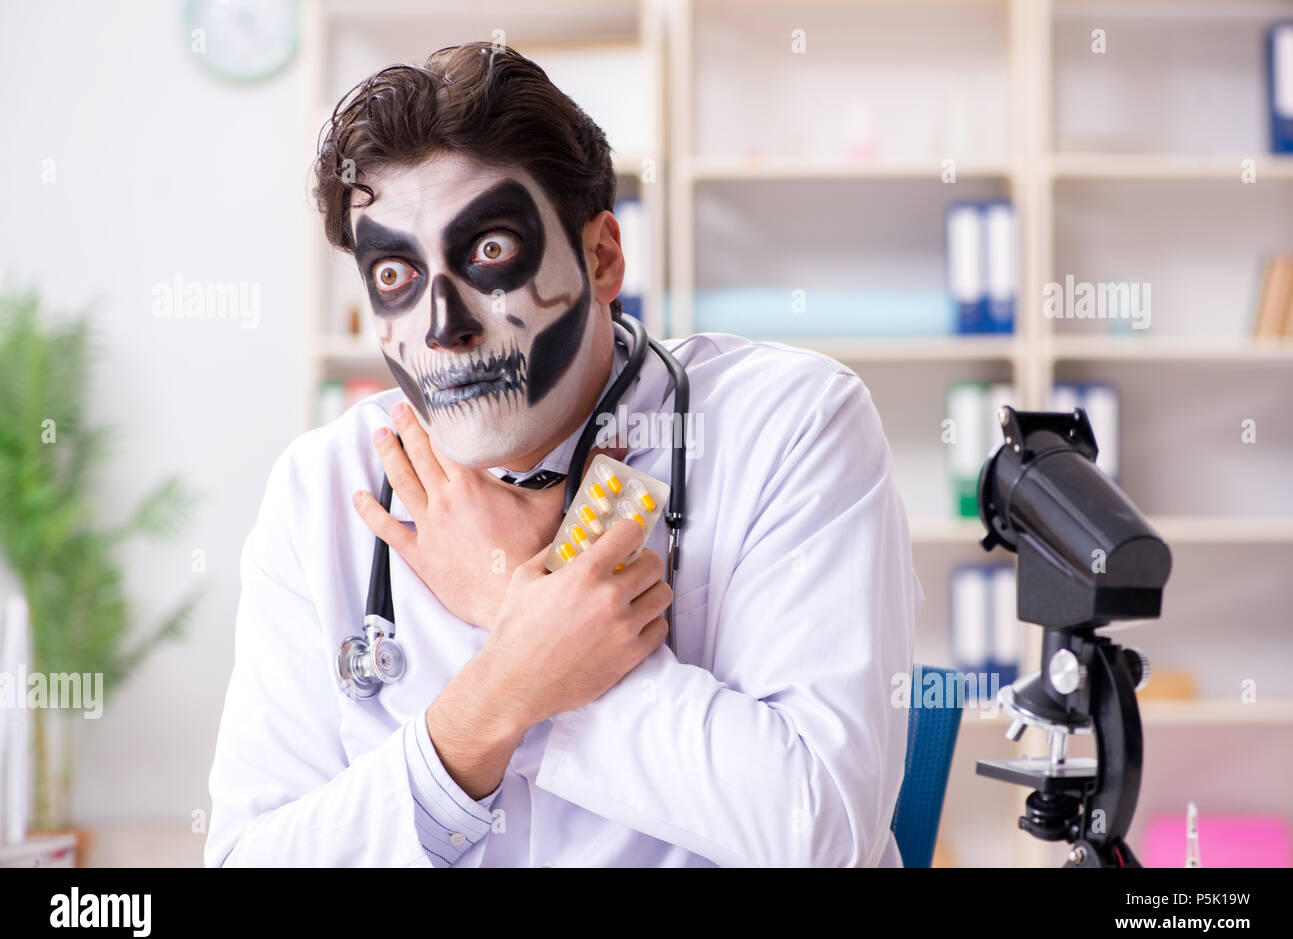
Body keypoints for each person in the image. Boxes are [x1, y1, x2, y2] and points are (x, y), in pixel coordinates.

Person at [205, 41, 922, 868]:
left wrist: (506, 585)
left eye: (491, 253)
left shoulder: (789, 424)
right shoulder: (325, 487)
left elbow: (821, 835)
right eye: (397, 273)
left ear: (603, 258)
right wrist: (506, 683)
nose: (445, 325)